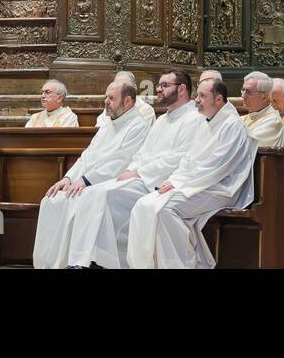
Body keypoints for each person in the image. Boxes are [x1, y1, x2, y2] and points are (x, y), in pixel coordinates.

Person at [62, 71, 205, 269]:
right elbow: (142, 153)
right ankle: (86, 259)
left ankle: (105, 261)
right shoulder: (163, 119)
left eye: (164, 85)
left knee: (102, 194)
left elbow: (178, 158)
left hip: (160, 183)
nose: (158, 89)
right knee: (92, 192)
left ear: (181, 89)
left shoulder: (194, 119)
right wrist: (132, 169)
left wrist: (140, 173)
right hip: (141, 177)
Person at [126, 79, 257, 268]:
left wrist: (179, 183)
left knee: (166, 211)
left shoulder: (232, 125)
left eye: (202, 96)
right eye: (197, 95)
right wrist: (173, 179)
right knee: (142, 204)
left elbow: (217, 166)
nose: (196, 100)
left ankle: (186, 264)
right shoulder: (206, 122)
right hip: (196, 184)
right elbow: (188, 159)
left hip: (221, 188)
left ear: (219, 99)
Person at [32, 80, 150, 268]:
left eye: (111, 98)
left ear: (128, 102)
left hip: (108, 184)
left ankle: (79, 261)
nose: (106, 101)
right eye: (105, 97)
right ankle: (51, 263)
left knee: (82, 198)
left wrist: (87, 180)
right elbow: (87, 156)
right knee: (52, 199)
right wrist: (68, 178)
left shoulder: (138, 126)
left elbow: (121, 161)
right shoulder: (108, 125)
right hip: (86, 182)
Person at [239, 72, 284, 148]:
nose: (243, 96)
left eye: (248, 92)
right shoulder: (242, 118)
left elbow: (247, 146)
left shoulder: (273, 122)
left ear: (265, 96)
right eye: (243, 90)